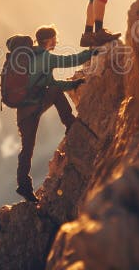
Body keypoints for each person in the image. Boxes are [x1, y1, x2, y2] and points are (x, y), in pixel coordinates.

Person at [15, 25, 97, 202]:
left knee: (27, 148)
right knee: (28, 148)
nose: (56, 42)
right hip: (33, 108)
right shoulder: (45, 57)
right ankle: (69, 123)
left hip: (24, 112)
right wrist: (92, 53)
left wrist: (72, 85)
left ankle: (23, 185)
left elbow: (51, 83)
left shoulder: (31, 55)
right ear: (48, 40)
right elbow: (70, 60)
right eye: (54, 39)